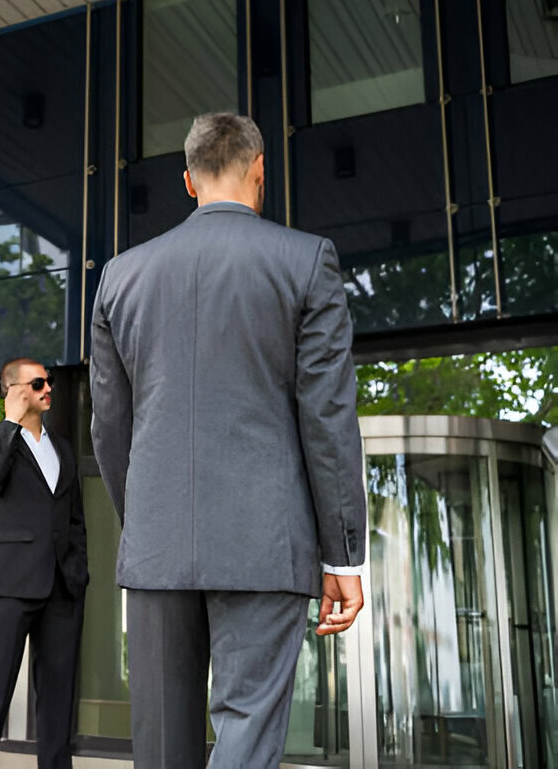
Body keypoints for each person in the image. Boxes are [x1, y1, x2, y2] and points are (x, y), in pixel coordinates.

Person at [89, 112, 366, 768]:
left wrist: (147, 525)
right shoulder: (305, 261)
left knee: (161, 745)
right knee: (247, 730)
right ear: (260, 169)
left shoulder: (120, 275)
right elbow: (327, 417)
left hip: (157, 544)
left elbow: (109, 425)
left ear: (188, 181)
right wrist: (343, 554)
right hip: (264, 541)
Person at [0, 358, 88, 769]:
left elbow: (75, 521)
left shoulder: (63, 450)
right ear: (14, 390)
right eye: (37, 383)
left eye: (49, 381)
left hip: (60, 588)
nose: (48, 388)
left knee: (57, 701)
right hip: (8, 587)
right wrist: (10, 425)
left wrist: (79, 574)